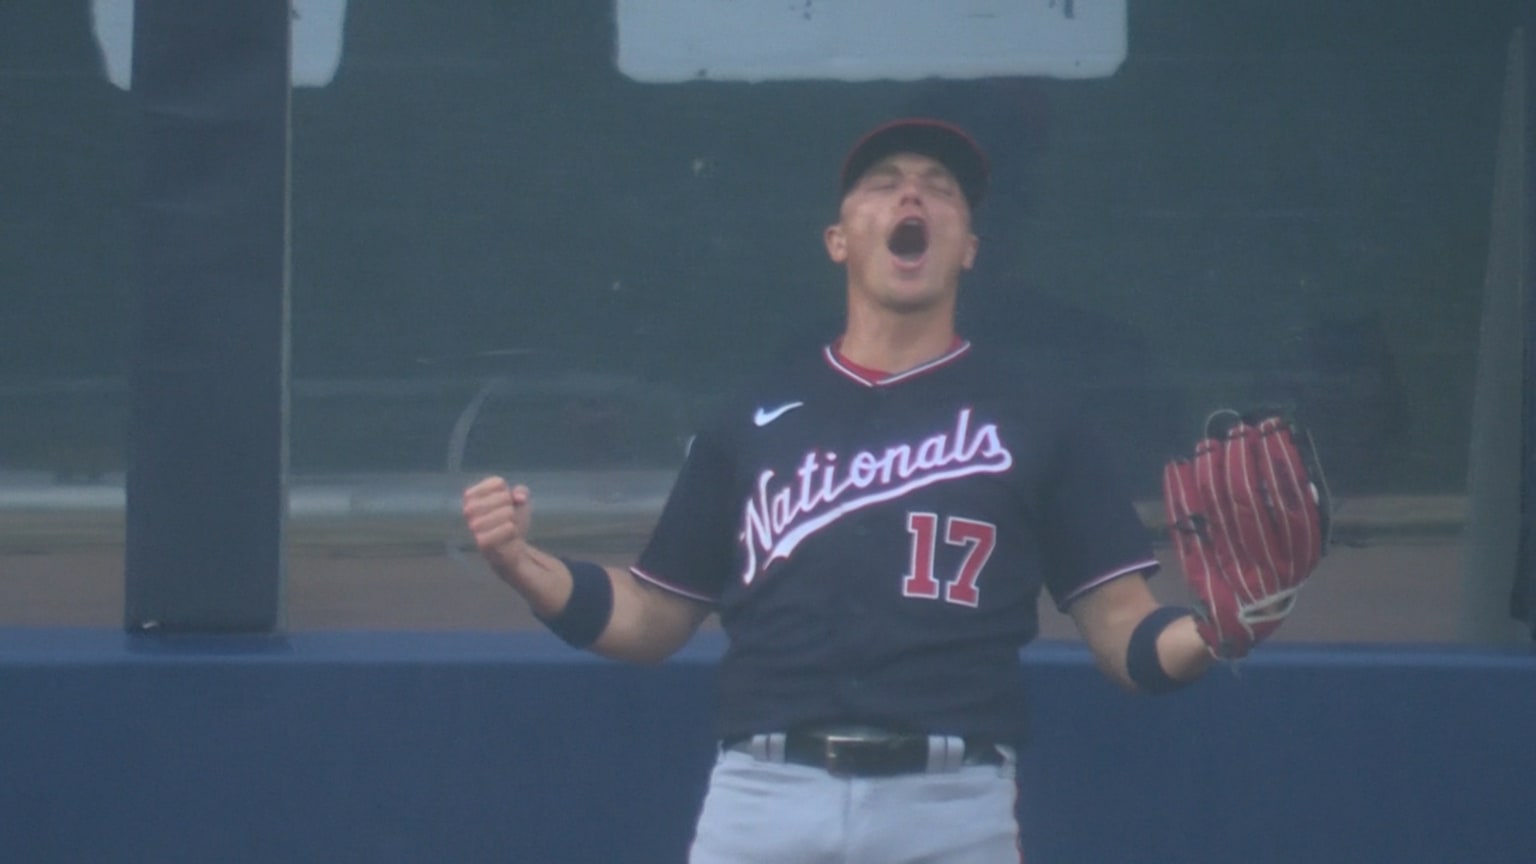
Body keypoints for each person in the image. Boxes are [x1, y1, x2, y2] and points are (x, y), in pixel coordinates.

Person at [462, 117, 1215, 863]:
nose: (911, 200)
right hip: (763, 795)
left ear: (971, 248)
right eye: (886, 186)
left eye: (939, 190)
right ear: (839, 239)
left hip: (952, 805)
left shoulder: (1039, 416)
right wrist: (526, 568)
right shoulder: (753, 416)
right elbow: (653, 615)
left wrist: (1224, 629)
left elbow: (1126, 634)